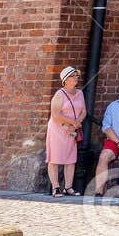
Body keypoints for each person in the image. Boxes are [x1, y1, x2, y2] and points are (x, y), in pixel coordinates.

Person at [46, 65, 84, 196]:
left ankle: (68, 187)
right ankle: (55, 187)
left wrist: (77, 123)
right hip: (58, 129)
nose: (76, 78)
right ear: (66, 79)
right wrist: (72, 122)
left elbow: (83, 111)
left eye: (77, 76)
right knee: (54, 158)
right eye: (73, 76)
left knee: (70, 158)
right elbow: (55, 115)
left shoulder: (80, 93)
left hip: (72, 130)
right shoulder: (59, 95)